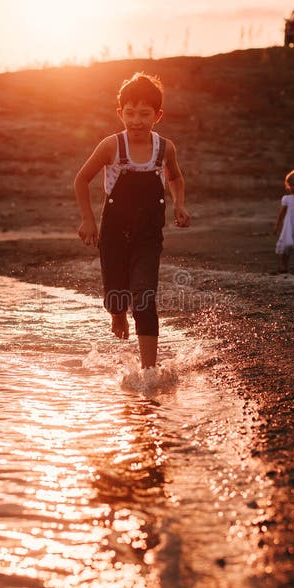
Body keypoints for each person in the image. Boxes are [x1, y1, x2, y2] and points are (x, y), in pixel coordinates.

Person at [74, 73, 190, 370]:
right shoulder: (112, 146)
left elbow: (175, 177)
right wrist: (88, 220)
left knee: (144, 295)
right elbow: (81, 180)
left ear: (157, 115)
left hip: (149, 234)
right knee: (116, 295)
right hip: (113, 231)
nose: (136, 120)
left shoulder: (165, 148)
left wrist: (179, 204)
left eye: (144, 114)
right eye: (130, 113)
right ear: (120, 113)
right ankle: (116, 313)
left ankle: (148, 369)